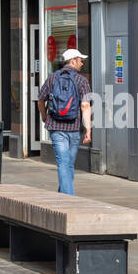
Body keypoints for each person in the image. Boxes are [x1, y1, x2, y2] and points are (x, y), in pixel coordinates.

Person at [37, 47, 93, 195]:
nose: (82, 63)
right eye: (81, 60)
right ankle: (69, 198)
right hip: (74, 127)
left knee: (63, 163)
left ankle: (63, 194)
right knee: (68, 164)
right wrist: (88, 129)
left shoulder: (52, 78)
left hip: (55, 126)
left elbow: (40, 100)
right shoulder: (82, 81)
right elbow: (85, 105)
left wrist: (44, 116)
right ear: (73, 61)